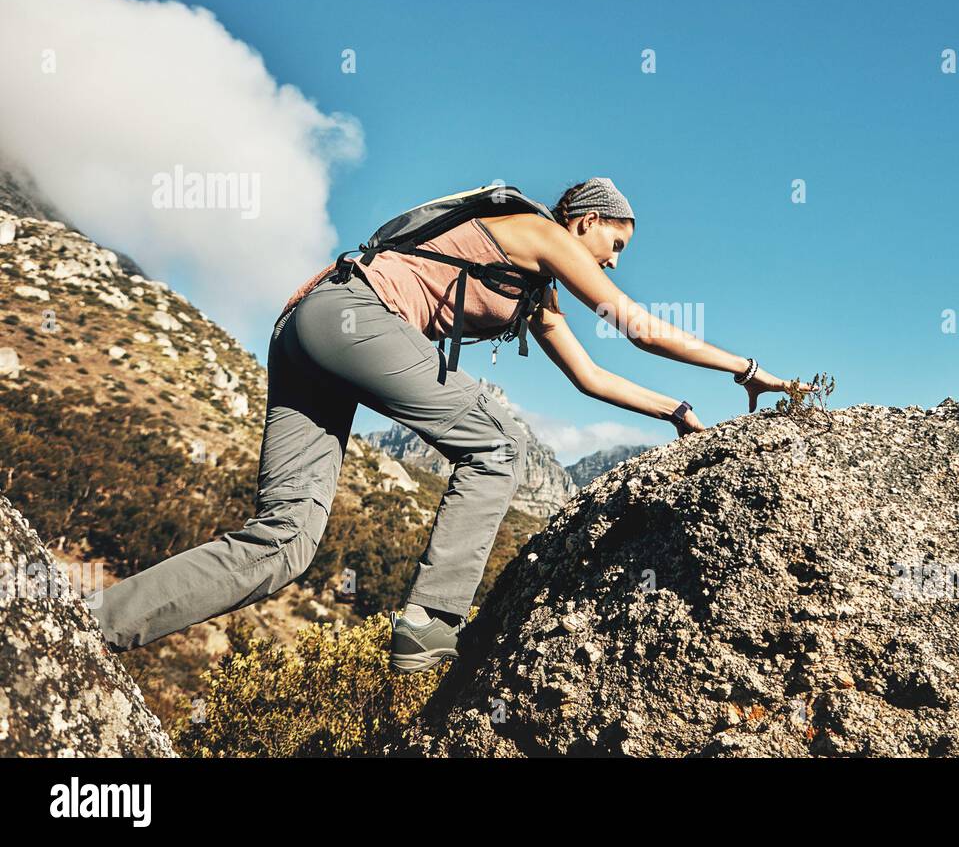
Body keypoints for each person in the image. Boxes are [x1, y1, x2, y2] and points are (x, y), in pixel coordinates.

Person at [91, 178, 813, 671]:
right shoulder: (538, 231)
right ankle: (431, 625)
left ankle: (94, 625)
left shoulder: (535, 292)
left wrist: (678, 412)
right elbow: (637, 327)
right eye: (615, 245)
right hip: (355, 316)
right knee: (497, 442)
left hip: (308, 328)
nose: (614, 259)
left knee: (284, 544)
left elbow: (592, 377)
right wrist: (746, 370)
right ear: (586, 220)